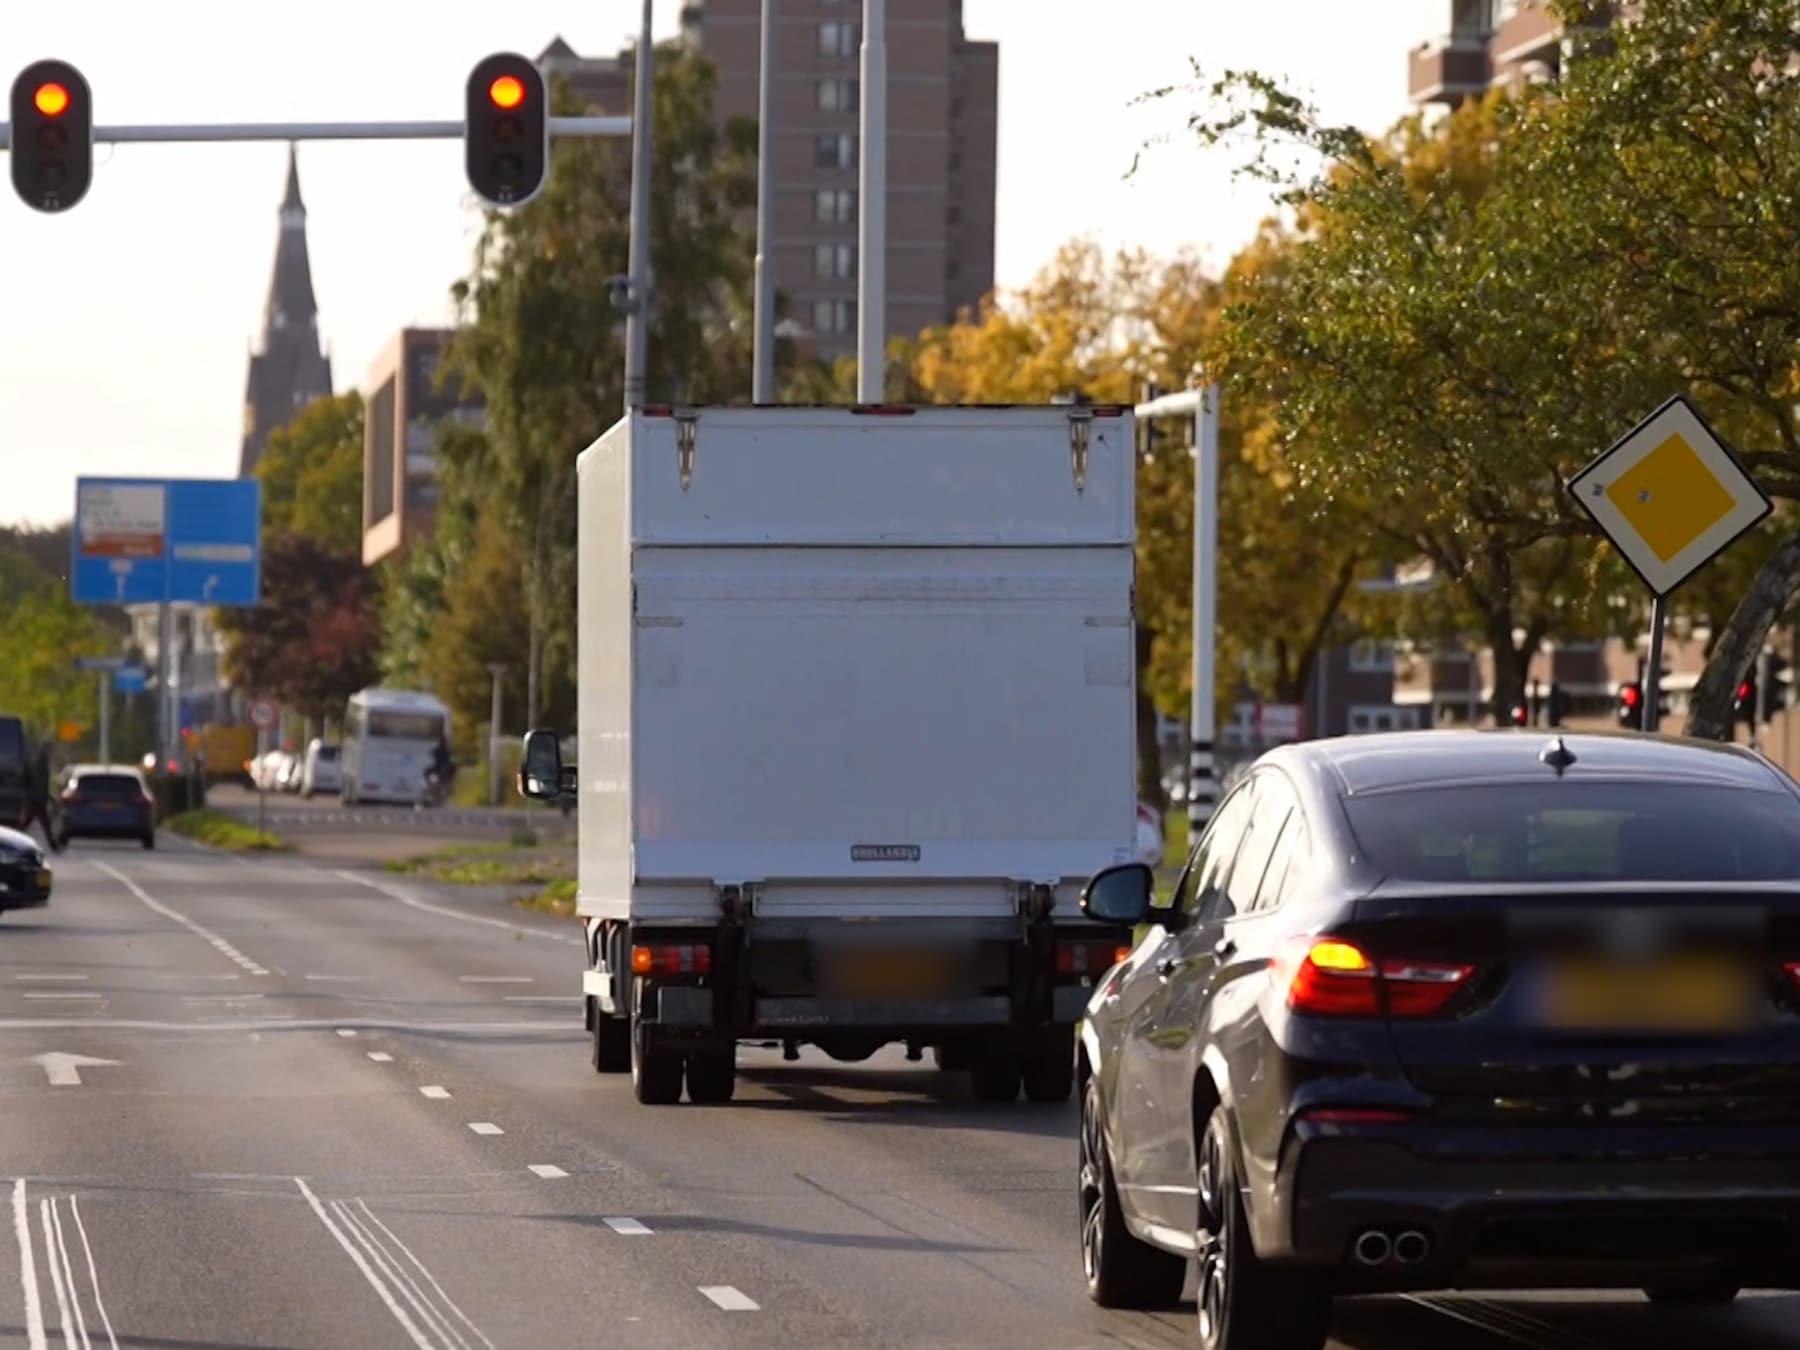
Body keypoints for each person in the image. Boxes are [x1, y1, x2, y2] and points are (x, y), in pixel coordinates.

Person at [21, 741, 63, 854]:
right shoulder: (40, 764)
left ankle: (54, 846)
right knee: (42, 824)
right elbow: (39, 783)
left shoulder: (40, 762)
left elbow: (41, 783)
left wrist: (49, 796)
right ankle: (54, 846)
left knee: (33, 823)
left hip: (37, 798)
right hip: (37, 799)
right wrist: (47, 796)